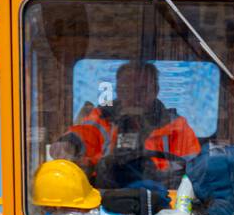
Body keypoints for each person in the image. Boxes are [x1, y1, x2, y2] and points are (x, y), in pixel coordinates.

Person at [52, 60, 200, 188]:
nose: (134, 96)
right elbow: (85, 132)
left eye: (142, 89)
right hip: (106, 199)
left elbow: (194, 170)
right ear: (118, 91)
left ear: (155, 91)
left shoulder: (176, 125)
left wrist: (154, 173)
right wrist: (69, 144)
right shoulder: (103, 117)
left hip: (162, 203)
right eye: (127, 89)